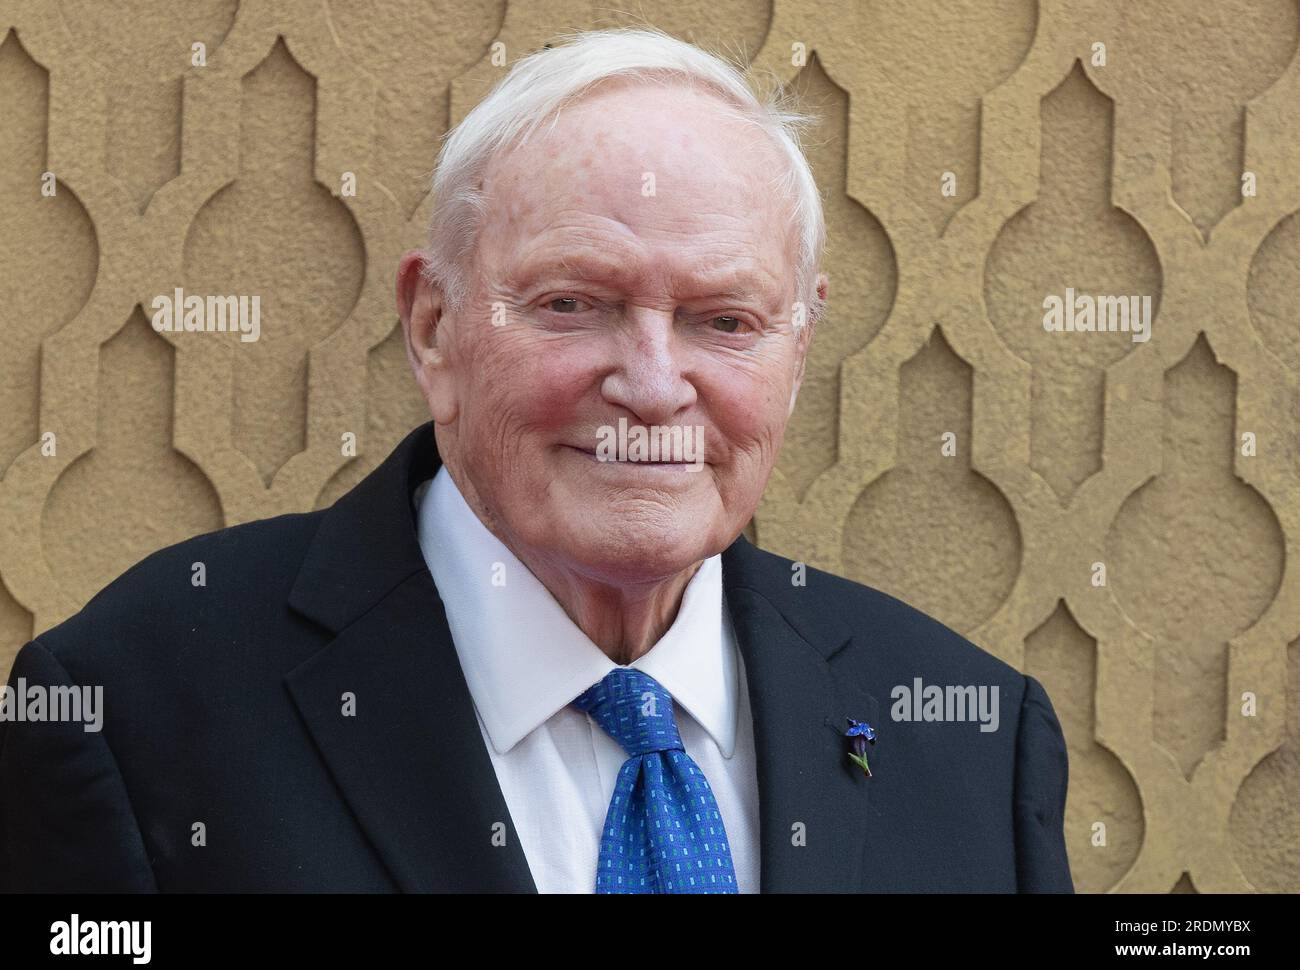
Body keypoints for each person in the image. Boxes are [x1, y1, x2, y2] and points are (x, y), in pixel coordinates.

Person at [0, 27, 1072, 893]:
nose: (653, 385)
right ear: (433, 326)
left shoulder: (973, 737)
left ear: (798, 345)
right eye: (572, 305)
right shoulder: (130, 705)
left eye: (724, 320)